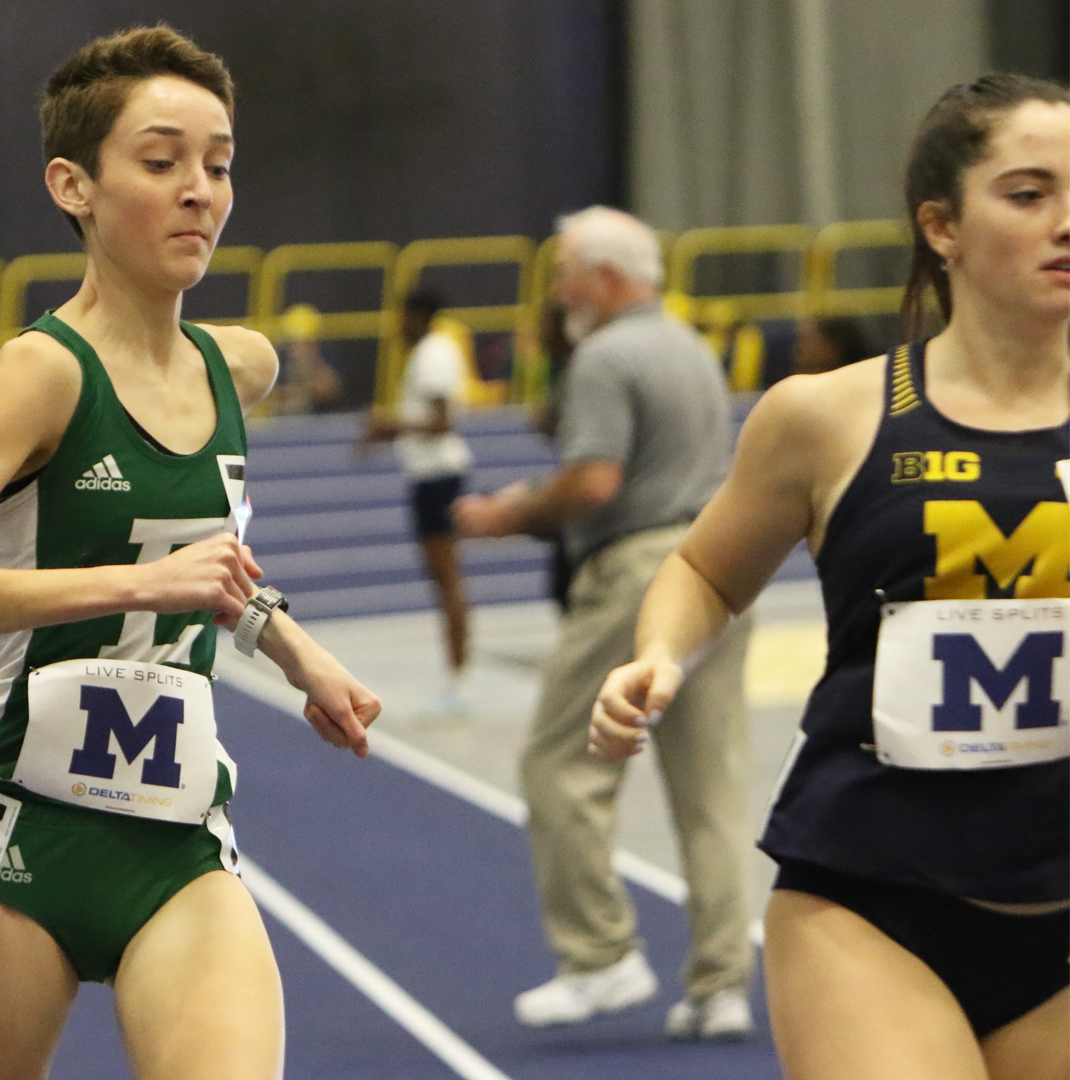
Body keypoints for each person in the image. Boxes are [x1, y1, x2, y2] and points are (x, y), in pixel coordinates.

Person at [0, 25, 381, 1080]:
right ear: (74, 186)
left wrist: (290, 647)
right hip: (21, 837)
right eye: (160, 161)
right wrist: (142, 584)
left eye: (219, 164)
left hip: (177, 836)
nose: (200, 191)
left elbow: (205, 562)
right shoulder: (42, 373)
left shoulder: (241, 369)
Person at [590, 74, 1069, 1080]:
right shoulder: (829, 417)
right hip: (873, 903)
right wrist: (658, 658)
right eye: (1029, 194)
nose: (1066, 222)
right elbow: (704, 572)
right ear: (942, 226)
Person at [454, 206, 755, 1037]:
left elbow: (592, 483)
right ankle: (722, 983)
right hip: (720, 570)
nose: (557, 291)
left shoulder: (608, 354)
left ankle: (599, 956)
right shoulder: (691, 348)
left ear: (607, 276)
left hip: (638, 572)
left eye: (567, 274)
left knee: (561, 762)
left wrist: (510, 513)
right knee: (711, 789)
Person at [361, 289, 474, 714]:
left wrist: (390, 424)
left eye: (403, 315)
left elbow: (443, 422)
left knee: (448, 579)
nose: (398, 324)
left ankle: (458, 679)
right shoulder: (431, 352)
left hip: (440, 477)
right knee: (443, 579)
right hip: (430, 477)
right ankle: (455, 674)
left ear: (419, 316)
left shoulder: (433, 353)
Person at [263, 302, 340, 414]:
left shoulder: (325, 351)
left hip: (318, 419)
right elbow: (268, 395)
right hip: (281, 422)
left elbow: (330, 389)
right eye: (298, 340)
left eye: (308, 340)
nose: (303, 344)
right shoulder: (278, 356)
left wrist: (308, 363)